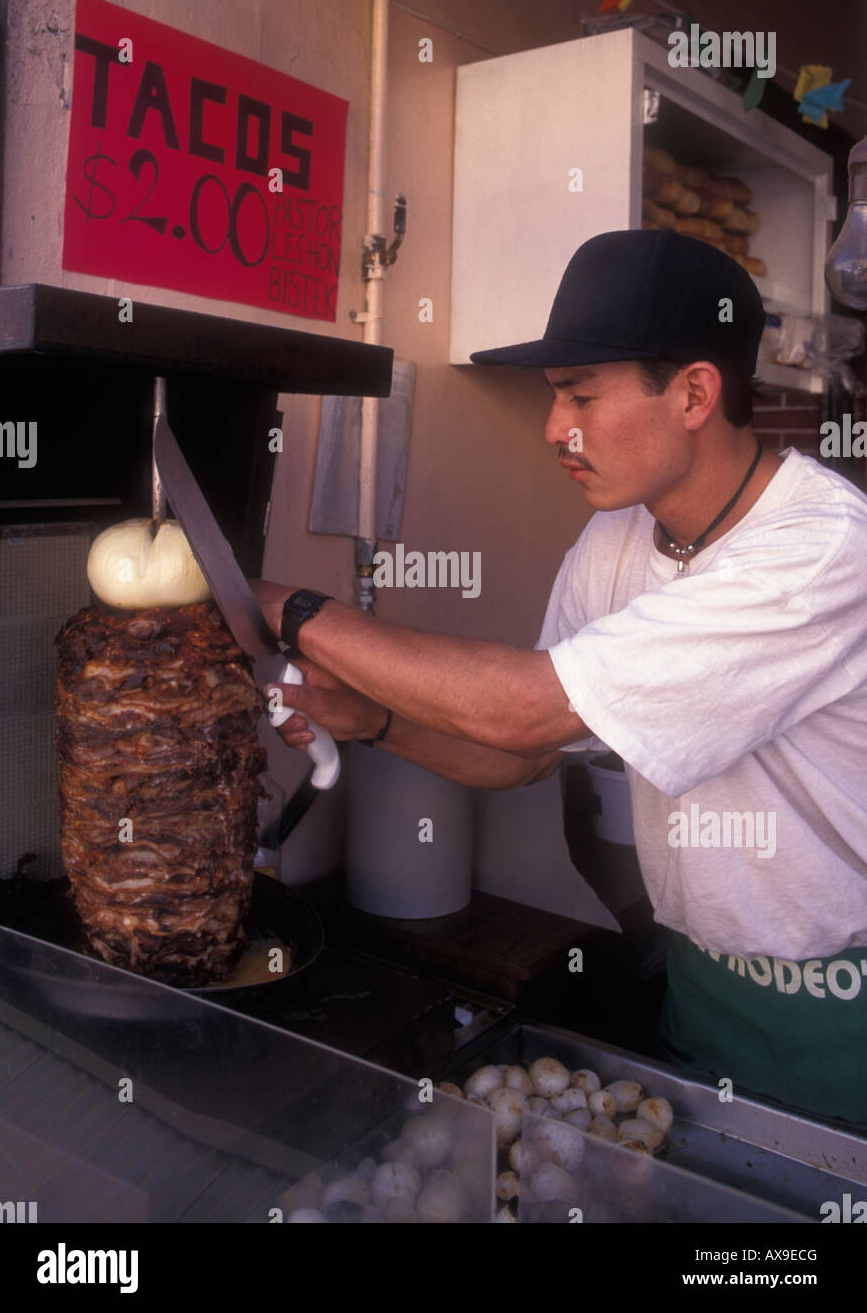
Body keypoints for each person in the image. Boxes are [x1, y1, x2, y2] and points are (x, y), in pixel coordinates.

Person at [252, 229, 867, 1130]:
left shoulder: (822, 549)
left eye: (579, 395)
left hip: (842, 1010)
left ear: (695, 392)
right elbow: (533, 753)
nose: (554, 430)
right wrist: (376, 719)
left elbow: (529, 707)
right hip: (703, 988)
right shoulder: (617, 537)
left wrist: (283, 605)